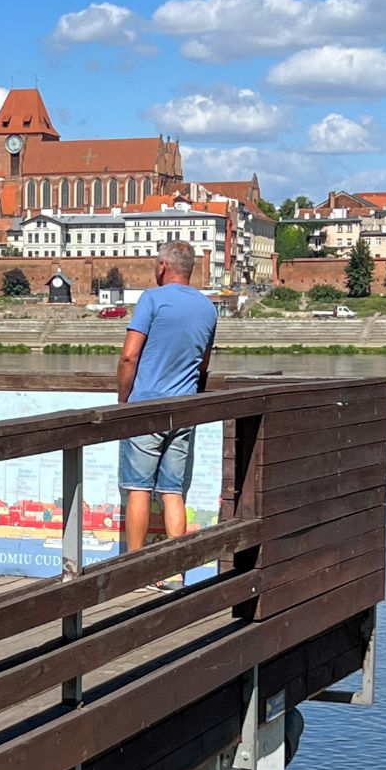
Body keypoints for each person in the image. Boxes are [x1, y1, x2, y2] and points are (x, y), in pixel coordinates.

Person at [116, 240, 217, 590]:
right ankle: (175, 572)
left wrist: (123, 400)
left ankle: (136, 569)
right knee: (173, 491)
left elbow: (130, 356)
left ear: (162, 266)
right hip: (184, 408)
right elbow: (203, 363)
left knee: (139, 489)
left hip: (146, 407)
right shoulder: (208, 307)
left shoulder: (152, 300)